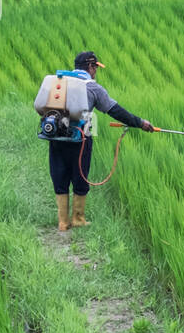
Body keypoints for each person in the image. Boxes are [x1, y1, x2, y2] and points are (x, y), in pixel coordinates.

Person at [48, 51, 153, 231]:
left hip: (55, 136)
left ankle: (63, 222)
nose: (96, 71)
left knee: (60, 174)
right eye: (96, 67)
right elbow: (116, 111)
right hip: (80, 139)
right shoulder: (92, 87)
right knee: (80, 175)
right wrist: (139, 123)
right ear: (90, 67)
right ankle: (78, 219)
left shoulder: (59, 82)